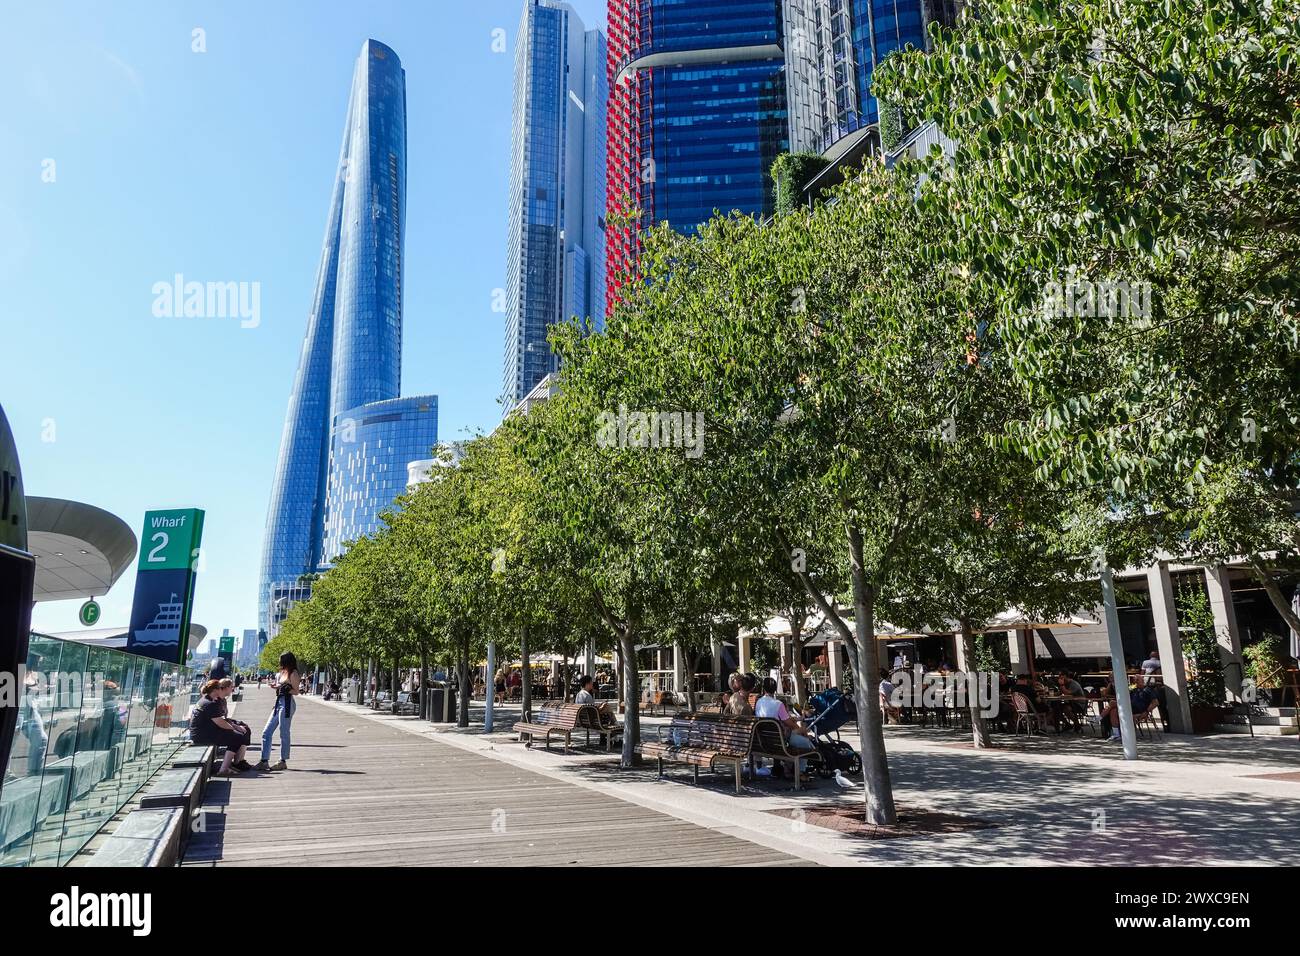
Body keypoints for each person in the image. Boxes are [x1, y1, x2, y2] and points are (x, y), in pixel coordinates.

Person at [754, 677, 816, 780]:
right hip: (780, 740)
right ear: (775, 689)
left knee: (798, 735)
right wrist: (802, 731)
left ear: (763, 689)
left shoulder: (759, 702)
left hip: (764, 740)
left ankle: (788, 769)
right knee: (805, 743)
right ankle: (800, 772)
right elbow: (790, 724)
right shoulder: (778, 704)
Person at [190, 679, 252, 776]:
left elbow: (220, 721)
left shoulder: (206, 700)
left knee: (239, 734)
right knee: (237, 737)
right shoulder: (210, 704)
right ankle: (224, 769)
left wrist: (235, 727)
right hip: (202, 736)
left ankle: (235, 763)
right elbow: (220, 722)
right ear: (215, 690)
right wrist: (235, 728)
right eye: (220, 688)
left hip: (202, 732)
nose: (221, 689)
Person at [255, 652, 298, 771]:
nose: (279, 662)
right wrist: (277, 686)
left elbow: (296, 691)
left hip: (287, 703)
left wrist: (286, 689)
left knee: (284, 732)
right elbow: (280, 686)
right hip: (278, 702)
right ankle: (264, 760)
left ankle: (282, 760)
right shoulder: (281, 673)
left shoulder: (293, 673)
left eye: (281, 660)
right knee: (266, 732)